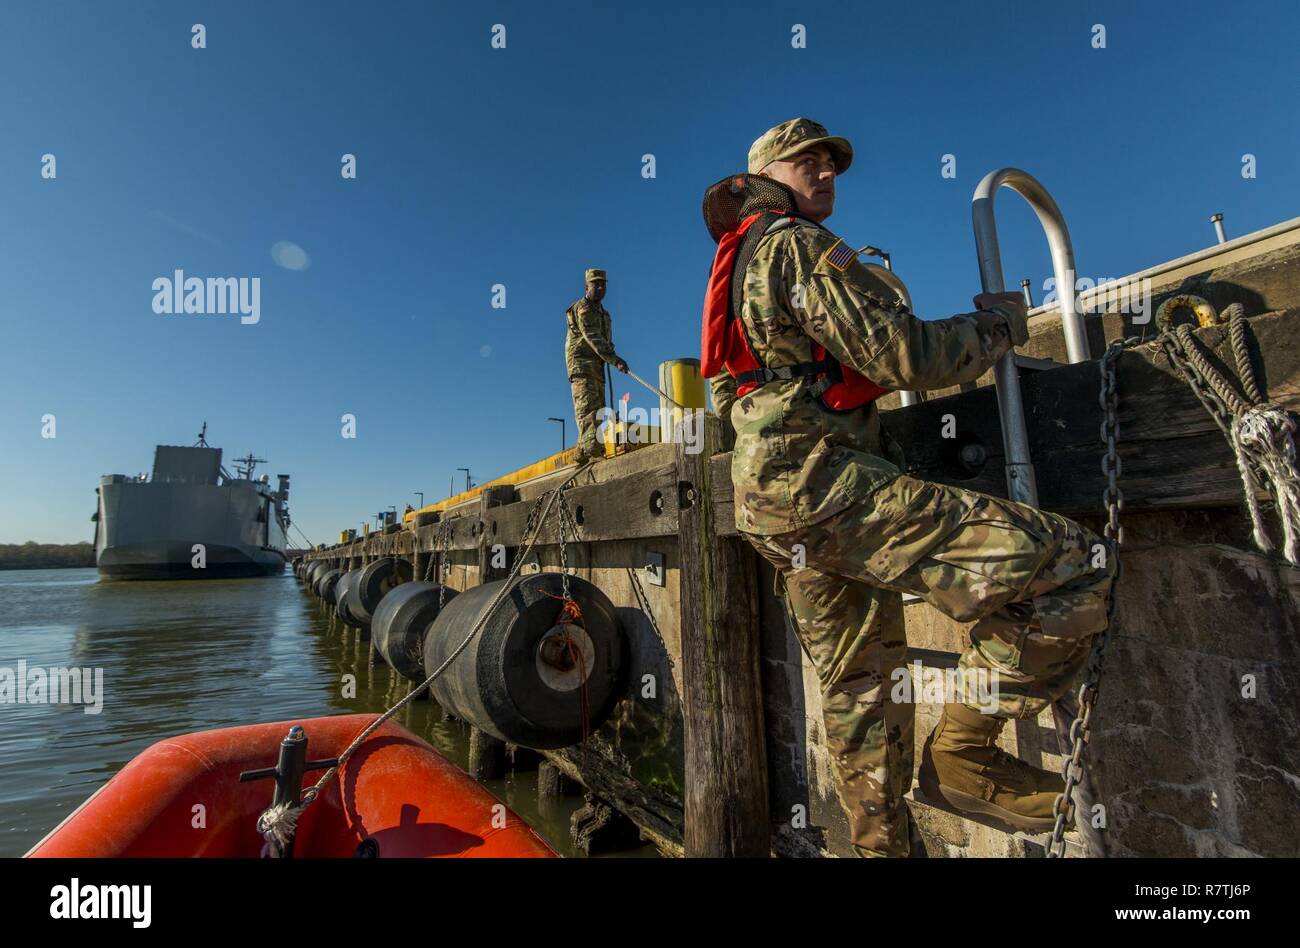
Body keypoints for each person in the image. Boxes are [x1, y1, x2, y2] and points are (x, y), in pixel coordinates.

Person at [700, 117, 1115, 856]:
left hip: (774, 502)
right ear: (769, 174)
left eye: (832, 163)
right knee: (1072, 566)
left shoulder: (743, 261)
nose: (826, 173)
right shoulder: (799, 245)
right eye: (809, 162)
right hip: (826, 486)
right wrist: (998, 327)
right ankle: (965, 755)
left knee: (859, 683)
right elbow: (903, 354)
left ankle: (879, 849)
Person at [565, 268, 627, 462]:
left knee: (598, 409)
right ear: (586, 287)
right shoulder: (582, 308)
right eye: (595, 284)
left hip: (597, 368)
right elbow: (592, 337)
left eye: (603, 284)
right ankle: (594, 453)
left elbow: (607, 341)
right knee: (589, 411)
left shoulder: (605, 315)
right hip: (582, 367)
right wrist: (614, 359)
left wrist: (612, 356)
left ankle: (582, 454)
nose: (600, 288)